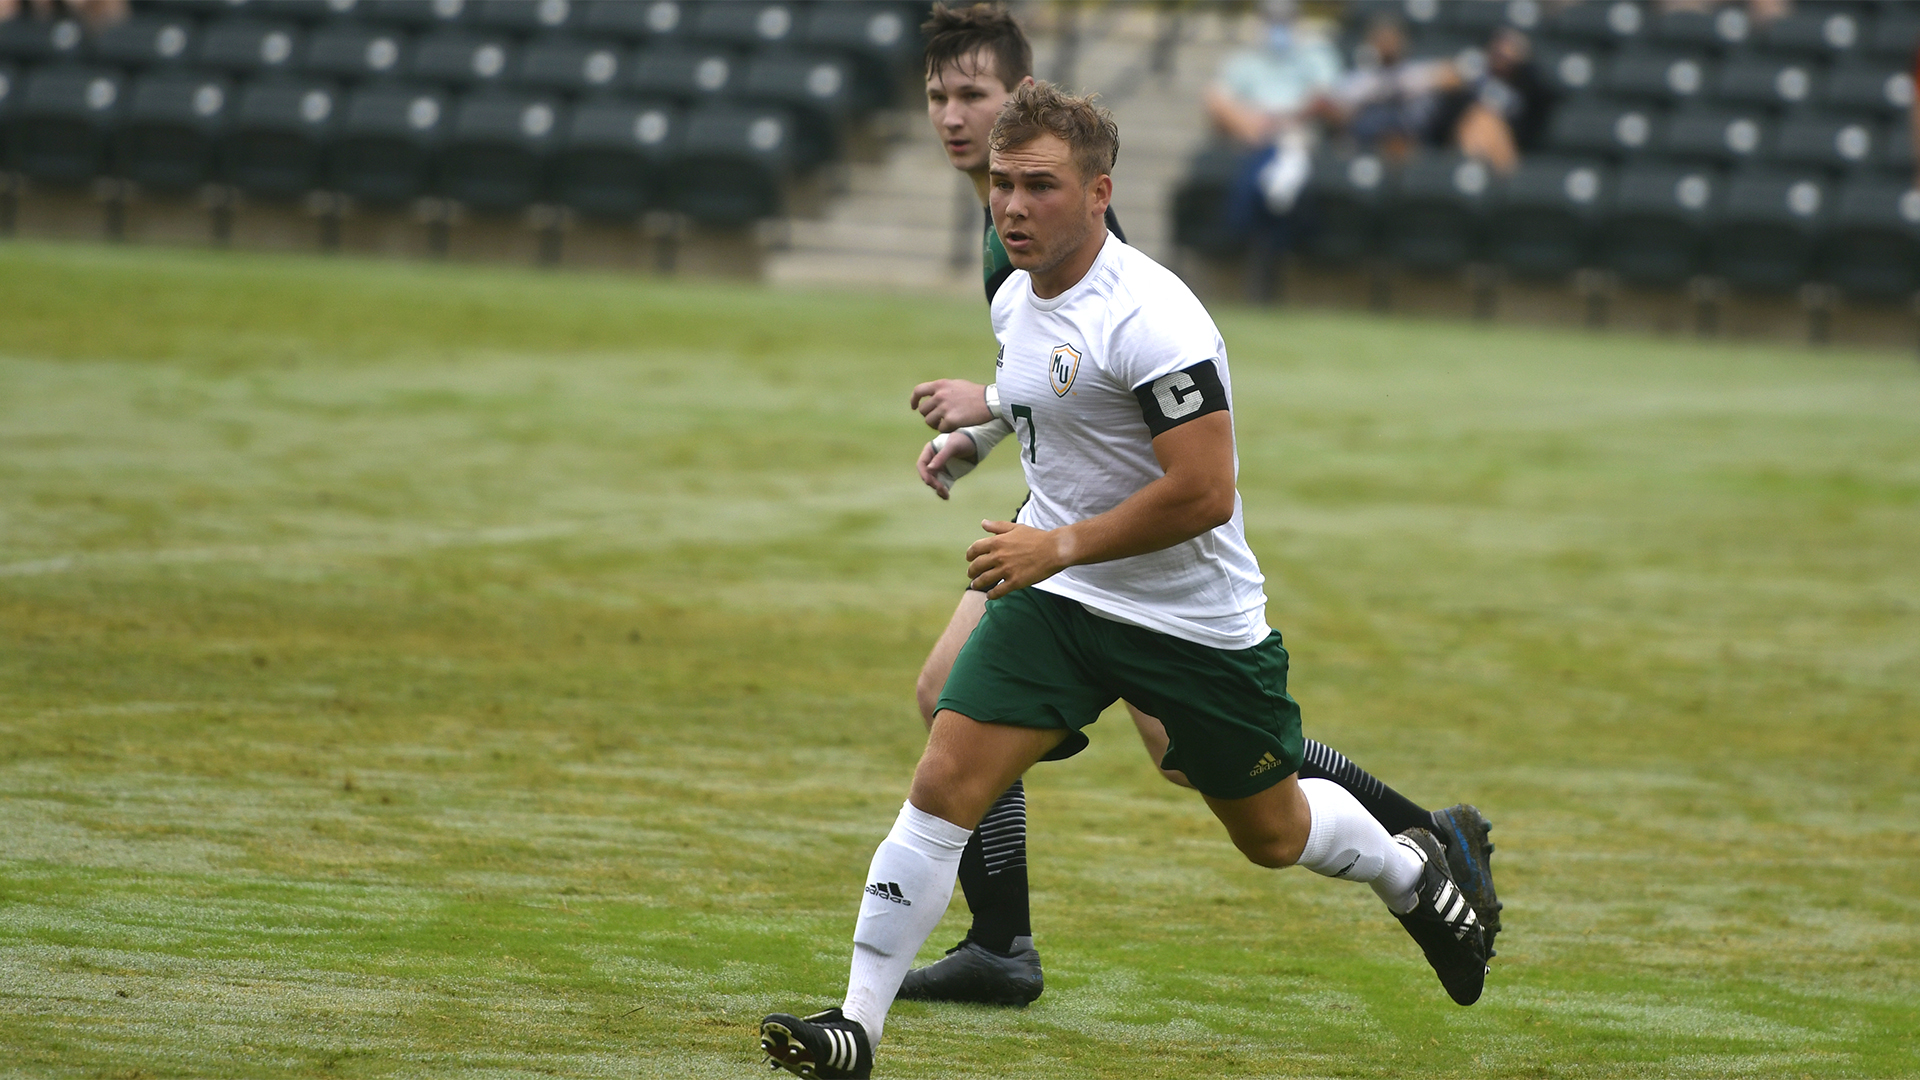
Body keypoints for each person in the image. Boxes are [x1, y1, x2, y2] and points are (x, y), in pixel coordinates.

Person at [760, 83, 1493, 1079]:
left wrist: (1051, 548)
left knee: (1271, 836)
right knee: (944, 780)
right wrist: (980, 437)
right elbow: (1042, 398)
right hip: (1061, 604)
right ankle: (856, 1028)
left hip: (1189, 618)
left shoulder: (1157, 318)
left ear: (1100, 192)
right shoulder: (1019, 294)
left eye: (1040, 188)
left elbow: (1203, 492)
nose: (1013, 208)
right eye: (1003, 188)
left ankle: (1413, 871)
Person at [1203, 0, 1344, 301]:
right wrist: (1255, 125)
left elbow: (1331, 101)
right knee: (1267, 174)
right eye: (1272, 19)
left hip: (1300, 136)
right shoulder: (1244, 61)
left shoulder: (1316, 55)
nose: (1278, 27)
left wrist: (1286, 119)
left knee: (1280, 166)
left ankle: (1261, 242)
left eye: (1285, 20)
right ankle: (1262, 241)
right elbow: (1217, 101)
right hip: (1253, 138)